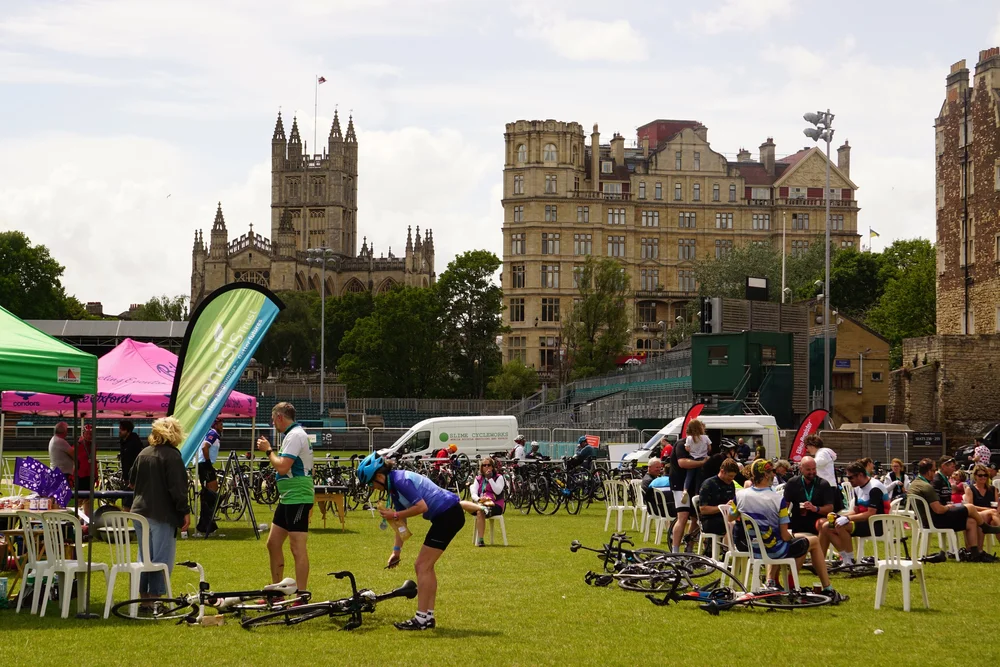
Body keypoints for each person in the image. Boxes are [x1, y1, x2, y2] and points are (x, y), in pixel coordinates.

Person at [356, 452, 480, 630]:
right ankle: (427, 617)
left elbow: (422, 507)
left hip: (448, 514)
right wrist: (396, 551)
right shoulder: (393, 487)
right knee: (425, 567)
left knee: (422, 566)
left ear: (380, 476)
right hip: (446, 516)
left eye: (371, 483)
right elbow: (402, 524)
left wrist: (395, 514)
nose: (372, 488)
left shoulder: (399, 481)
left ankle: (422, 618)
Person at [727, 459, 840, 598]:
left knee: (779, 539)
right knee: (814, 541)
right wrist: (792, 536)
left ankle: (771, 581)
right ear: (767, 475)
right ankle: (827, 588)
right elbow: (784, 536)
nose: (774, 475)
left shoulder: (740, 495)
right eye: (772, 472)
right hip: (774, 550)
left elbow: (730, 518)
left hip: (754, 549)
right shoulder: (776, 499)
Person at [130, 417, 191, 607]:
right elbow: (178, 488)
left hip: (139, 511)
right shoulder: (172, 456)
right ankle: (157, 599)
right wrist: (184, 511)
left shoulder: (143, 453)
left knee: (144, 557)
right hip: (161, 513)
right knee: (161, 559)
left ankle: (144, 599)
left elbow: (131, 480)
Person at [255, 402, 314, 591]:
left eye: (273, 420)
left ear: (280, 417)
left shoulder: (295, 435)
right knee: (273, 544)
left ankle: (302, 593)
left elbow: (282, 466)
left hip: (298, 497)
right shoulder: (292, 434)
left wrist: (268, 450)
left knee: (297, 548)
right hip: (288, 497)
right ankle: (276, 591)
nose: (274, 425)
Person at [909, 458, 998, 562]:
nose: (935, 472)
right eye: (933, 470)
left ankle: (975, 553)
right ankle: (985, 527)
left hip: (928, 519)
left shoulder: (915, 483)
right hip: (936, 520)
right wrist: (948, 507)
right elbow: (938, 509)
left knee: (971, 521)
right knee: (970, 507)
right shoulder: (927, 486)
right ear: (929, 472)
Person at [818, 461, 888, 565]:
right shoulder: (857, 488)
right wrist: (840, 516)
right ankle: (842, 559)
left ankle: (849, 560)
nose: (848, 480)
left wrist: (847, 519)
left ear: (860, 475)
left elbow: (870, 514)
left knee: (840, 525)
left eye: (850, 477)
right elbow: (855, 511)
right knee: (826, 526)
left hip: (877, 524)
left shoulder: (874, 488)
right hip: (864, 522)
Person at [669, 425, 708, 553]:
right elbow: (683, 463)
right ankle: (675, 550)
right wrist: (702, 462)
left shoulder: (701, 444)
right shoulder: (681, 444)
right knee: (683, 516)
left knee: (695, 517)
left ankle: (689, 547)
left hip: (695, 484)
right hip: (680, 484)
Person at [783, 456, 835, 536]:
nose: (812, 472)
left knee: (823, 523)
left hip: (816, 520)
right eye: (808, 469)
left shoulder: (823, 484)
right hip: (797, 520)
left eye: (814, 469)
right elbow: (785, 504)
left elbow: (830, 508)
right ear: (801, 469)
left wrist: (815, 508)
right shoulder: (792, 483)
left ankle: (821, 548)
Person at [698, 458, 739, 539]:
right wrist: (723, 507)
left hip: (727, 517)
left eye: (734, 476)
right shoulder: (708, 484)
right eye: (730, 476)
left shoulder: (731, 484)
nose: (732, 479)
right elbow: (703, 509)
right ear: (722, 471)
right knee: (733, 525)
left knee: (743, 524)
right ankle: (727, 549)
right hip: (710, 520)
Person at [195, 418, 223, 536]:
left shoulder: (212, 433)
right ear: (215, 425)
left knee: (209, 495)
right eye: (221, 424)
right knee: (212, 495)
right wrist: (207, 462)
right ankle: (205, 525)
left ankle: (206, 524)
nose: (223, 426)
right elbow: (204, 447)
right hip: (205, 464)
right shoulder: (213, 433)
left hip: (204, 464)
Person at [469, 457, 505, 546]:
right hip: (481, 503)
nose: (486, 467)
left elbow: (498, 491)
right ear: (481, 468)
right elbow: (473, 493)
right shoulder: (478, 478)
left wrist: (490, 479)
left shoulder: (498, 477)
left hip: (495, 505)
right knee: (479, 509)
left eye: (488, 465)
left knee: (480, 511)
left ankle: (480, 540)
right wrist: (479, 499)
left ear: (492, 467)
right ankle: (480, 539)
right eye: (484, 465)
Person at [682, 419, 711, 501]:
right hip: (702, 458)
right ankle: (696, 493)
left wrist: (691, 450)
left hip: (692, 459)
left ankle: (685, 490)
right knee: (699, 477)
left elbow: (687, 448)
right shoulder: (705, 437)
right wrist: (706, 452)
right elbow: (709, 448)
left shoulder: (689, 438)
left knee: (689, 476)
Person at [76, 425, 93, 517]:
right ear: (83, 434)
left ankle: (87, 521)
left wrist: (96, 475)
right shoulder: (78, 445)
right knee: (79, 500)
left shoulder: (93, 445)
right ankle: (76, 519)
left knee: (89, 500)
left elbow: (94, 460)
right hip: (80, 475)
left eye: (91, 434)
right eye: (87, 434)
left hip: (90, 476)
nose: (89, 436)